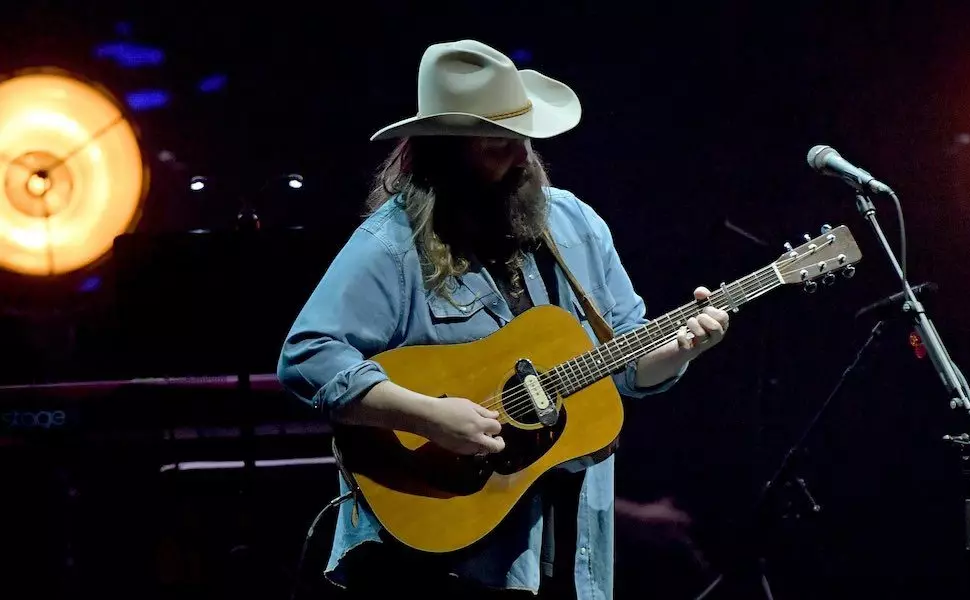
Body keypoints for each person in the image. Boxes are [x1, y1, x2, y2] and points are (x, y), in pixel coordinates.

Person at [277, 39, 730, 599]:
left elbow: (626, 368)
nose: (520, 158)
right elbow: (307, 356)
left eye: (523, 140)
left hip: (573, 548)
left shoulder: (574, 223)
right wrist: (428, 417)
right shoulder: (392, 244)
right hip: (447, 560)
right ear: (445, 152)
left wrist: (681, 349)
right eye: (497, 145)